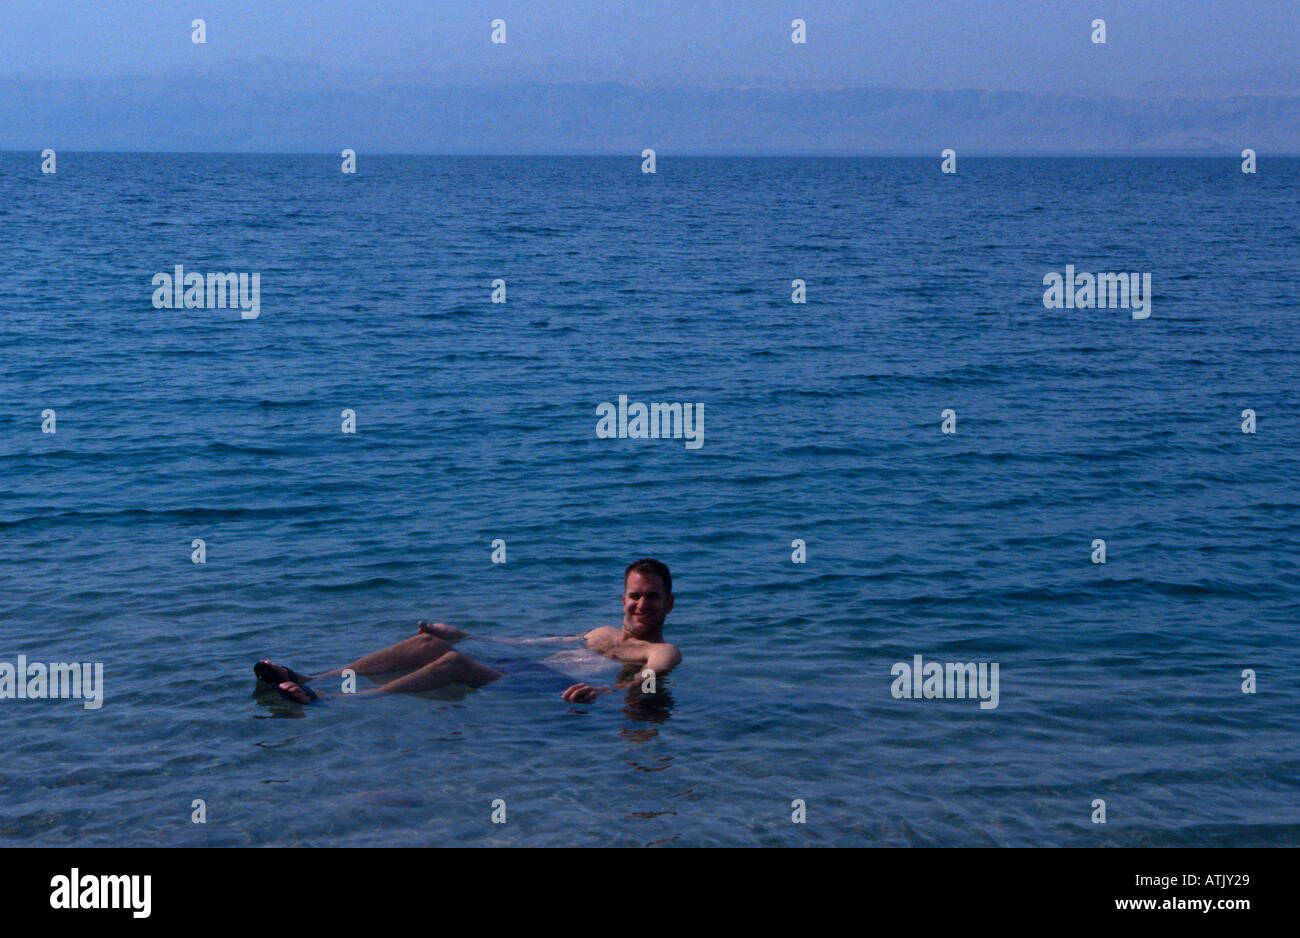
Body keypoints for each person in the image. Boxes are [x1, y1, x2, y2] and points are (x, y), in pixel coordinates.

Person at [253, 558, 682, 704]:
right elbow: (530, 644)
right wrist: (465, 635)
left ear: (668, 604)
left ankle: (330, 702)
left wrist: (603, 694)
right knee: (432, 644)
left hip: (553, 687)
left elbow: (646, 683)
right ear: (623, 597)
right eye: (635, 595)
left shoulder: (662, 651)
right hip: (526, 667)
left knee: (453, 663)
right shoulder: (602, 630)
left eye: (652, 597)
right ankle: (312, 678)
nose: (641, 604)